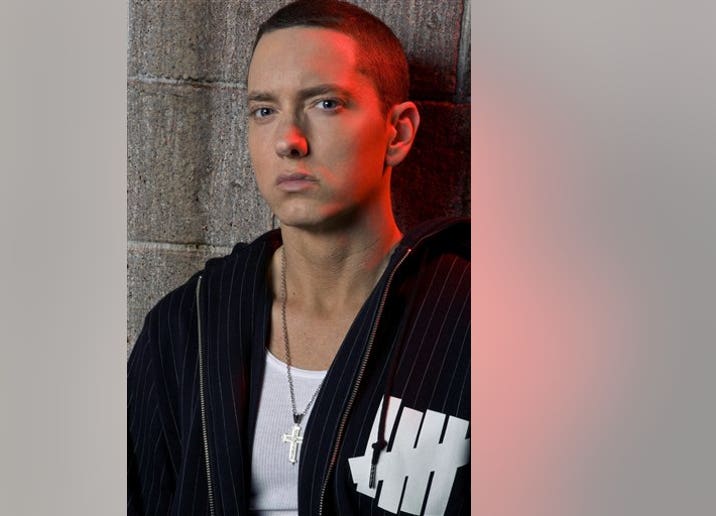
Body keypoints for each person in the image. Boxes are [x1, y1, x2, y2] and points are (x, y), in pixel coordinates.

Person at [127, 1, 470, 514]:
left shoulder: (475, 325)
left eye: (326, 103)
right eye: (264, 111)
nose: (289, 140)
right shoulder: (186, 326)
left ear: (397, 132)